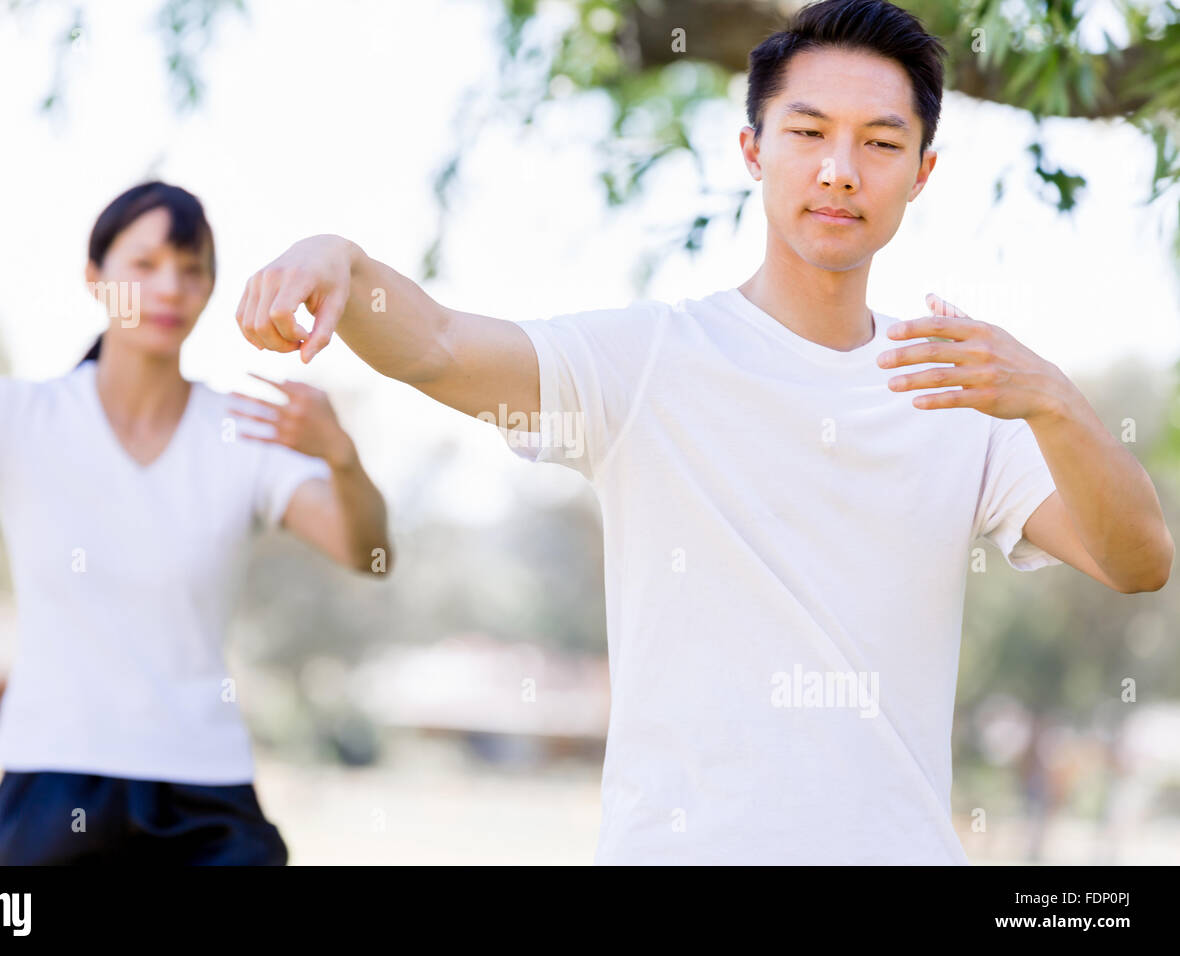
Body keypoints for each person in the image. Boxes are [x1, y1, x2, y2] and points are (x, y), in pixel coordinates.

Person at [231, 0, 1173, 864]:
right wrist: (345, 265)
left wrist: (1053, 398)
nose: (840, 169)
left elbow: (1138, 560)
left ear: (922, 171)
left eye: (880, 143)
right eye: (807, 132)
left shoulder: (966, 388)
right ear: (753, 149)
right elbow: (436, 344)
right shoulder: (648, 361)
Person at [0, 181, 392, 864]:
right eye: (144, 265)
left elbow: (365, 550)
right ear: (96, 279)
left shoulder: (245, 431)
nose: (170, 287)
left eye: (192, 268)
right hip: (51, 787)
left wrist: (341, 456)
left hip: (206, 800)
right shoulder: (19, 420)